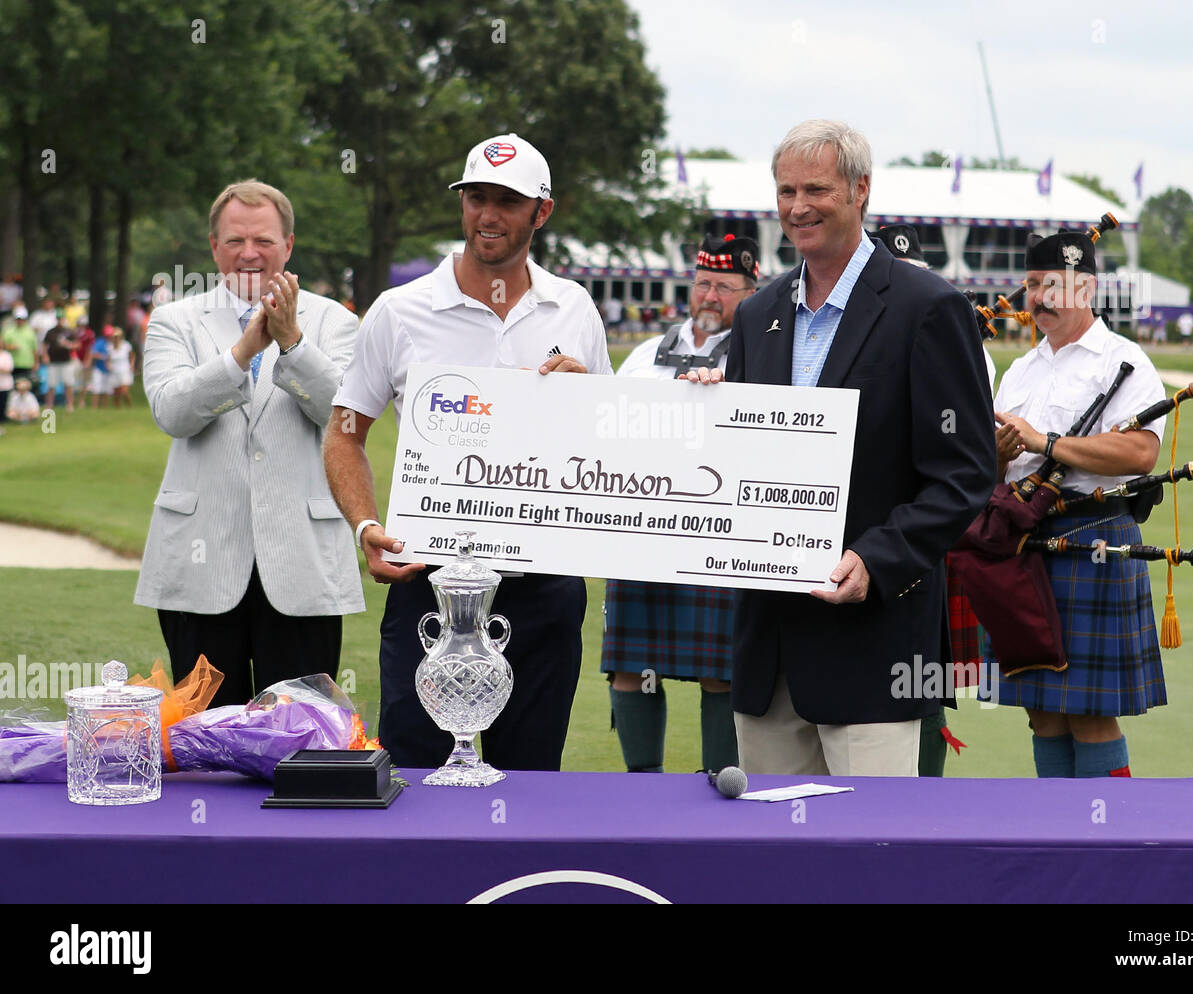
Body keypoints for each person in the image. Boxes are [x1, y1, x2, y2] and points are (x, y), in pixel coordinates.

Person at [688, 120, 996, 777]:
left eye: (817, 190)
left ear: (861, 190)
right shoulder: (755, 315)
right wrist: (697, 421)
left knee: (873, 869)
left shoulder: (930, 308)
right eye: (786, 191)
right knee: (772, 868)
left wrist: (877, 558)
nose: (799, 207)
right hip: (767, 655)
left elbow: (965, 475)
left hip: (873, 651)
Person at [323, 132, 612, 770]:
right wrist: (367, 525)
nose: (488, 215)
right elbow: (345, 430)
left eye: (508, 201)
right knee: (416, 775)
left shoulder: (574, 308)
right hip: (430, 580)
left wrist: (587, 399)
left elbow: (608, 448)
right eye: (476, 197)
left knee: (532, 778)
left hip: (543, 582)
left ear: (542, 211)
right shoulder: (401, 311)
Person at [133, 180, 363, 709]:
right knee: (204, 734)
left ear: (289, 244)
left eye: (263, 240)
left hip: (302, 561)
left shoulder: (335, 321)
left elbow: (343, 417)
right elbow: (173, 413)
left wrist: (292, 343)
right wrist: (240, 354)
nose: (250, 253)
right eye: (235, 241)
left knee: (301, 733)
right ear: (214, 247)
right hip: (200, 562)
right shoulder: (175, 321)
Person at [988, 231, 1167, 778]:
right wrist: (997, 458)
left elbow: (1141, 451)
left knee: (1091, 713)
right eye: (1033, 285)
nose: (1040, 298)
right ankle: (1059, 836)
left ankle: (1108, 841)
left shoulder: (1125, 361)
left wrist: (1046, 442)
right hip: (1025, 543)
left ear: (1087, 287)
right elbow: (994, 471)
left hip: (1095, 536)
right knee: (1042, 711)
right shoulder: (1020, 371)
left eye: (1054, 285)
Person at [601, 233, 759, 773]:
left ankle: (720, 779)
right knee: (631, 664)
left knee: (722, 667)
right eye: (703, 284)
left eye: (726, 287)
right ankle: (642, 784)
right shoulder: (644, 355)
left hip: (722, 532)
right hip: (643, 531)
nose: (711, 296)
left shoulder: (760, 354)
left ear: (750, 291)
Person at [875, 222, 1000, 776]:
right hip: (859, 521)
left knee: (923, 676)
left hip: (924, 527)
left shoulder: (959, 343)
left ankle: (919, 802)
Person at [41, 312, 80, 412]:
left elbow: (77, 344)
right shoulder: (51, 332)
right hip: (53, 361)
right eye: (58, 318)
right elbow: (45, 344)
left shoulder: (68, 331)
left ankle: (69, 405)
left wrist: (69, 345)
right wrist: (45, 356)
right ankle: (49, 405)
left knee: (68, 383)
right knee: (51, 384)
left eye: (61, 318)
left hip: (66, 361)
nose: (60, 320)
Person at [2, 306, 37, 389]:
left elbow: (34, 349)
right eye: (18, 319)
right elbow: (2, 345)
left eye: (22, 319)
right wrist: (9, 347)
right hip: (12, 364)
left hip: (27, 363)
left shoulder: (30, 331)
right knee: (13, 387)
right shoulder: (8, 331)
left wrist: (36, 363)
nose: (20, 321)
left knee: (26, 387)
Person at [105, 327, 136, 407]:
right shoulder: (110, 347)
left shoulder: (126, 345)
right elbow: (108, 359)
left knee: (124, 391)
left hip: (124, 370)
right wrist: (108, 365)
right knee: (116, 393)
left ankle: (130, 406)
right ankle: (117, 409)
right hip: (114, 370)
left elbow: (132, 356)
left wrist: (132, 365)